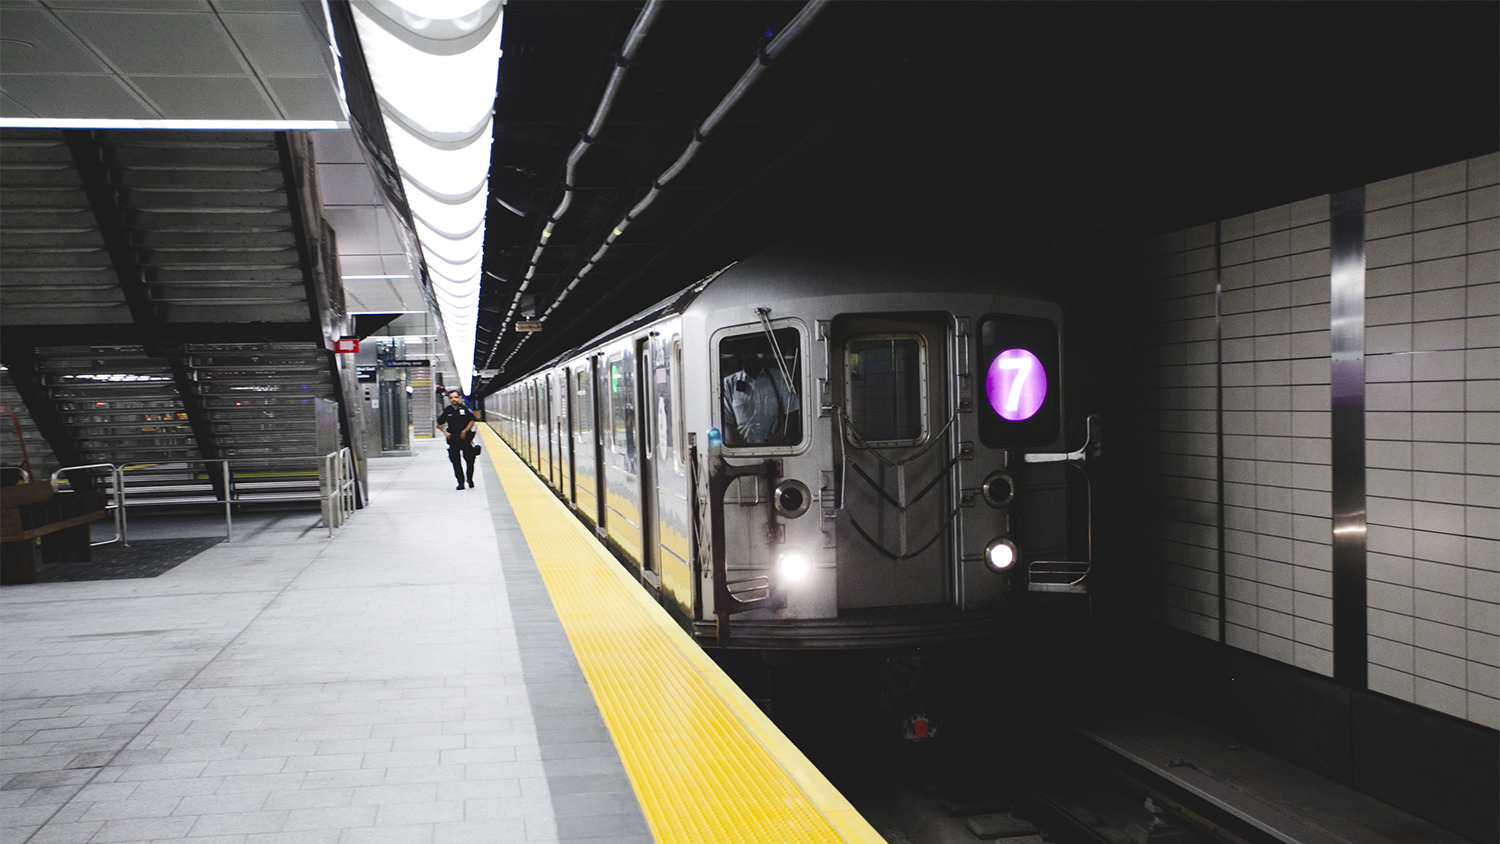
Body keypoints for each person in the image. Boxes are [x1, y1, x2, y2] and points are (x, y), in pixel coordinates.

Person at [721, 338, 800, 445]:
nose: (752, 356)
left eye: (756, 351)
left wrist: (781, 434)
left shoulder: (781, 378)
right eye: (747, 352)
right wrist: (738, 447)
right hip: (741, 450)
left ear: (764, 353)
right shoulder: (728, 384)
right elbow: (725, 423)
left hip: (776, 448)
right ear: (740, 354)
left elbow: (792, 412)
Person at [437, 390, 478, 489]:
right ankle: (460, 482)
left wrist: (464, 431)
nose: (453, 399)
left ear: (458, 398)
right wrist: (445, 432)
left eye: (455, 397)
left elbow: (472, 420)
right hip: (453, 440)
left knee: (470, 460)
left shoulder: (465, 409)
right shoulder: (448, 411)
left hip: (465, 439)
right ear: (449, 399)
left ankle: (469, 479)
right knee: (456, 462)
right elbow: (439, 423)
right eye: (451, 398)